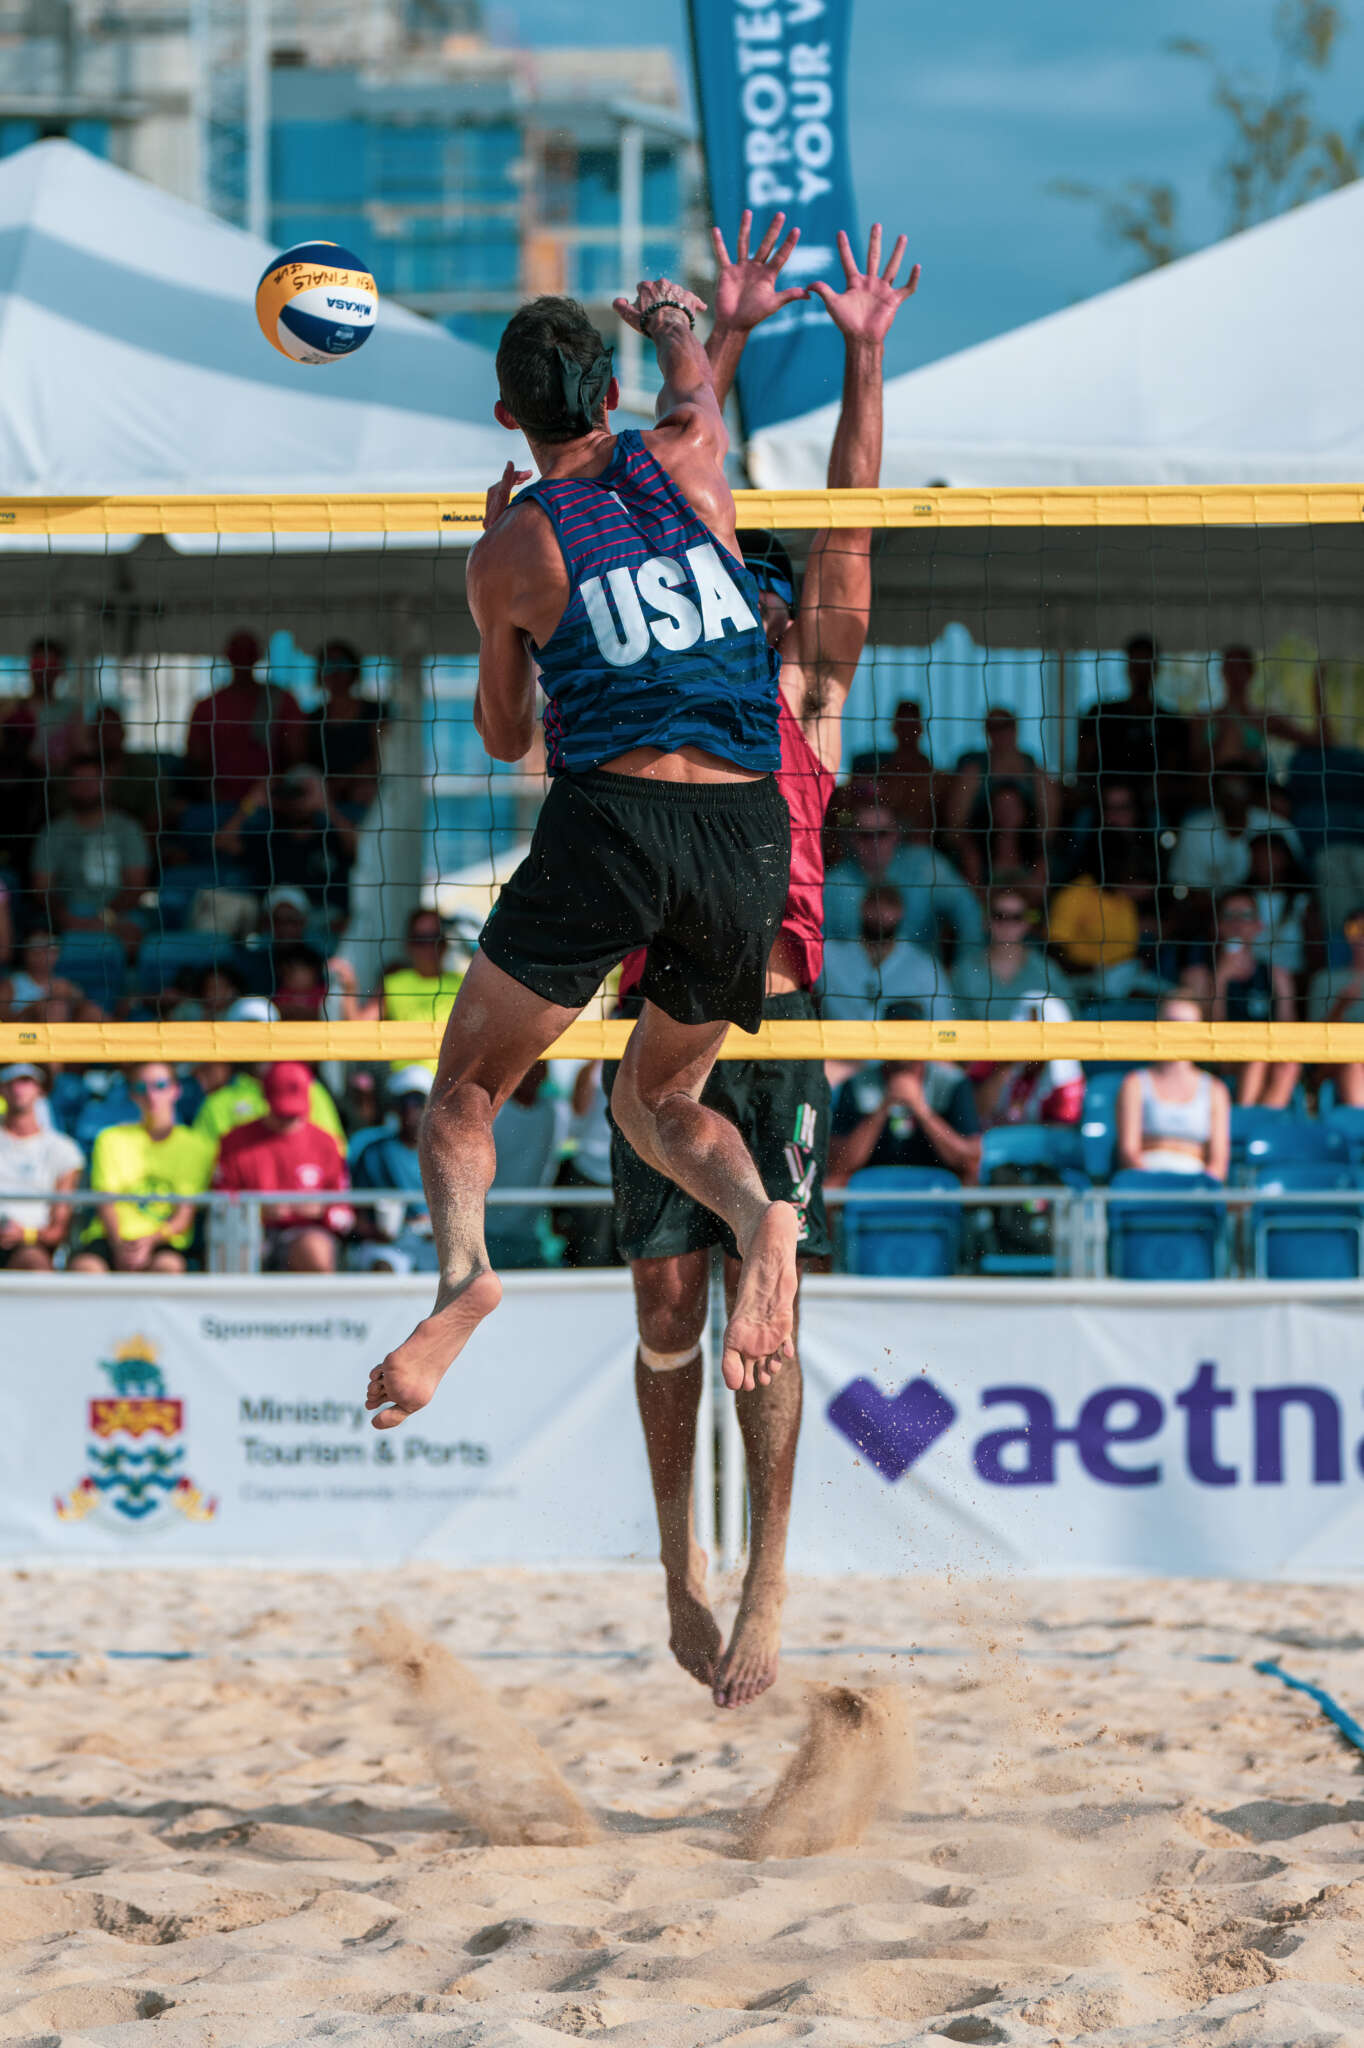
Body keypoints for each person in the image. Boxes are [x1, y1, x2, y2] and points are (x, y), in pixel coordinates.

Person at [366, 263, 807, 1427]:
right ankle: (762, 1210)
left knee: (464, 1089)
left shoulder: (511, 549)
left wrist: (493, 583)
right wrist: (673, 323)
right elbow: (698, 378)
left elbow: (510, 737)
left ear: (507, 416)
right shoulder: (692, 454)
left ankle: (464, 1276)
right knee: (659, 1100)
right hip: (745, 827)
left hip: (612, 819)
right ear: (611, 391)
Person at [607, 214, 920, 1708]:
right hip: (660, 1021)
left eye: (779, 597)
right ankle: (681, 1562)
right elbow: (679, 479)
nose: (770, 605)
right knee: (667, 1314)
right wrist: (708, 340)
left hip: (776, 1022)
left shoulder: (808, 691)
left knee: (760, 1310)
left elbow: (848, 525)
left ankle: (772, 1578)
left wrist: (864, 356)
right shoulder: (665, 678)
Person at [69, 1063, 216, 1273]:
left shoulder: (198, 1147)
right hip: (112, 1237)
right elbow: (106, 1202)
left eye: (160, 1085)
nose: (151, 1095)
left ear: (176, 1090)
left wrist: (150, 1241)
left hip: (164, 1240)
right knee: (85, 1269)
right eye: (141, 1088)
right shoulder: (110, 1138)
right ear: (133, 1095)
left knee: (168, 1267)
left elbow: (183, 1215)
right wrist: (119, 1244)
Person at [213, 1062, 353, 1272]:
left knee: (315, 1248)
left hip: (306, 1233)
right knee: (233, 1250)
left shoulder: (325, 1143)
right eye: (282, 1113)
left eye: (294, 1113)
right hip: (252, 1233)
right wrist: (256, 1212)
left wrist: (319, 1210)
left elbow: (344, 1210)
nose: (288, 1119)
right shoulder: (235, 1142)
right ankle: (231, 1305)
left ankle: (322, 1305)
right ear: (265, 1099)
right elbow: (220, 1200)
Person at [828, 1003, 981, 1184]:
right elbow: (838, 1164)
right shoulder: (856, 1084)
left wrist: (921, 1109)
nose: (903, 1042)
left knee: (971, 1179)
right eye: (896, 1034)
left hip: (936, 1186)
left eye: (910, 1034)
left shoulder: (953, 1082)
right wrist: (883, 1108)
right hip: (874, 1185)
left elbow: (969, 1161)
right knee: (833, 1183)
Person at [1180, 886, 1299, 1108]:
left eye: (1245, 916)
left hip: (1265, 1053)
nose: (1237, 923)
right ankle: (1248, 1125)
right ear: (1219, 925)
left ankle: (1251, 1126)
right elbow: (1210, 1033)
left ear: (1258, 925)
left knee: (1287, 1065)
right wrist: (1221, 981)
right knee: (1256, 1059)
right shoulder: (1199, 976)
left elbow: (1287, 1031)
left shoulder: (1277, 976)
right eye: (1230, 916)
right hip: (1218, 1055)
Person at [824, 798, 981, 956]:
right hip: (853, 976)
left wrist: (966, 967)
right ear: (853, 839)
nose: (874, 842)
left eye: (882, 833)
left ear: (896, 835)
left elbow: (968, 912)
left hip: (920, 976)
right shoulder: (833, 882)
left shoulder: (925, 866)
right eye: (865, 835)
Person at [31, 755, 151, 951]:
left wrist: (105, 917)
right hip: (65, 914)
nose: (86, 787)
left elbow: (137, 885)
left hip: (118, 915)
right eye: (79, 781)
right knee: (38, 944)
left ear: (105, 783)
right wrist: (65, 917)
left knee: (132, 939)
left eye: (92, 780)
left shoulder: (128, 828)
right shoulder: (53, 831)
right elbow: (41, 887)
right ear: (69, 786)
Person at [1074, 634, 1193, 823]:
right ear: (1128, 667)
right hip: (1102, 804)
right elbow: (1083, 764)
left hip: (1150, 807)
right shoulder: (1100, 713)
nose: (1141, 671)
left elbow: (1173, 771)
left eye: (1146, 663)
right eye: (1136, 663)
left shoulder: (1171, 721)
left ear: (1156, 668)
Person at [1116, 997, 1231, 1178]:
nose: (1179, 1032)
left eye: (1187, 1025)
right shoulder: (1135, 1083)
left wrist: (1202, 1189)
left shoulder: (1215, 1089)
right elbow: (1128, 1151)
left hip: (1194, 1180)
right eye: (1172, 1023)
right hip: (1148, 1176)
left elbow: (1219, 1160)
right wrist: (1152, 1184)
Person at [185, 630, 305, 803]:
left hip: (275, 804)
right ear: (228, 656)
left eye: (247, 653)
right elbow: (195, 761)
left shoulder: (281, 700)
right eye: (238, 653)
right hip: (219, 801)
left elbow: (297, 753)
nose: (242, 658)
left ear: (257, 656)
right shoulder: (206, 707)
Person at [347, 1068, 437, 1274]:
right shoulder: (373, 1153)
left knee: (459, 1272)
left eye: (419, 1101)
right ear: (395, 1107)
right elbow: (356, 1216)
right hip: (387, 1245)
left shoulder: (448, 1154)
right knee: (383, 1268)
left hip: (436, 1243)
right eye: (406, 1102)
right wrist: (381, 1231)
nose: (412, 1110)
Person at [356, 908, 466, 1073]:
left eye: (435, 938)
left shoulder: (463, 982)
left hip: (453, 1076)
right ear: (409, 945)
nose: (429, 947)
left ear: (445, 944)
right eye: (421, 940)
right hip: (407, 1078)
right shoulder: (394, 983)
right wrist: (348, 987)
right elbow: (360, 1029)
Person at [486, 1061, 571, 1269]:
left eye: (540, 1064)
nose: (533, 1071)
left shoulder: (557, 1112)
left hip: (533, 1237)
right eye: (529, 1063)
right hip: (487, 1235)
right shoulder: (492, 1113)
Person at [818, 884, 949, 1019]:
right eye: (873, 903)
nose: (880, 911)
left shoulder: (926, 968)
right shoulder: (828, 956)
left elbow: (944, 1025)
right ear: (861, 908)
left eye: (889, 904)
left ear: (901, 911)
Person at [0, 1064, 83, 1269]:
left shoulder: (63, 1149)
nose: (18, 1088)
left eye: (26, 1081)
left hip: (31, 1245)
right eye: (10, 1081)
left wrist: (25, 1234)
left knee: (34, 1262)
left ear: (41, 1088)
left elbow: (58, 1230)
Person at [950, 885, 1076, 1018]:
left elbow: (1069, 1021)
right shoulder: (965, 971)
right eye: (999, 916)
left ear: (1027, 923)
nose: (1007, 924)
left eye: (1017, 917)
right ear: (987, 920)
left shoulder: (1046, 971)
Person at [973, 995, 1086, 1128]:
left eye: (1037, 1029)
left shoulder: (1066, 1081)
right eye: (1027, 1028)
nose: (1031, 1037)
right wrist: (1007, 1067)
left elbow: (1062, 1131)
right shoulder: (999, 1061)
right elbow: (980, 1112)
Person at [847, 697, 938, 840]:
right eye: (903, 725)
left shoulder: (926, 770)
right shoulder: (880, 767)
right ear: (895, 728)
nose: (907, 732)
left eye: (911, 725)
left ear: (919, 729)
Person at [305, 640, 382, 799]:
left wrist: (347, 781)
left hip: (363, 793)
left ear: (354, 670)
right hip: (323, 796)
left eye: (342, 665)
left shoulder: (374, 712)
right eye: (329, 665)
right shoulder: (313, 718)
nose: (336, 672)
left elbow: (381, 759)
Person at [1308, 904, 1364, 1105]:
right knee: (1354, 1062)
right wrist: (1341, 1006)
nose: (1362, 937)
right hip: (1335, 1059)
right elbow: (1315, 1041)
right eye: (1356, 929)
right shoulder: (1325, 980)